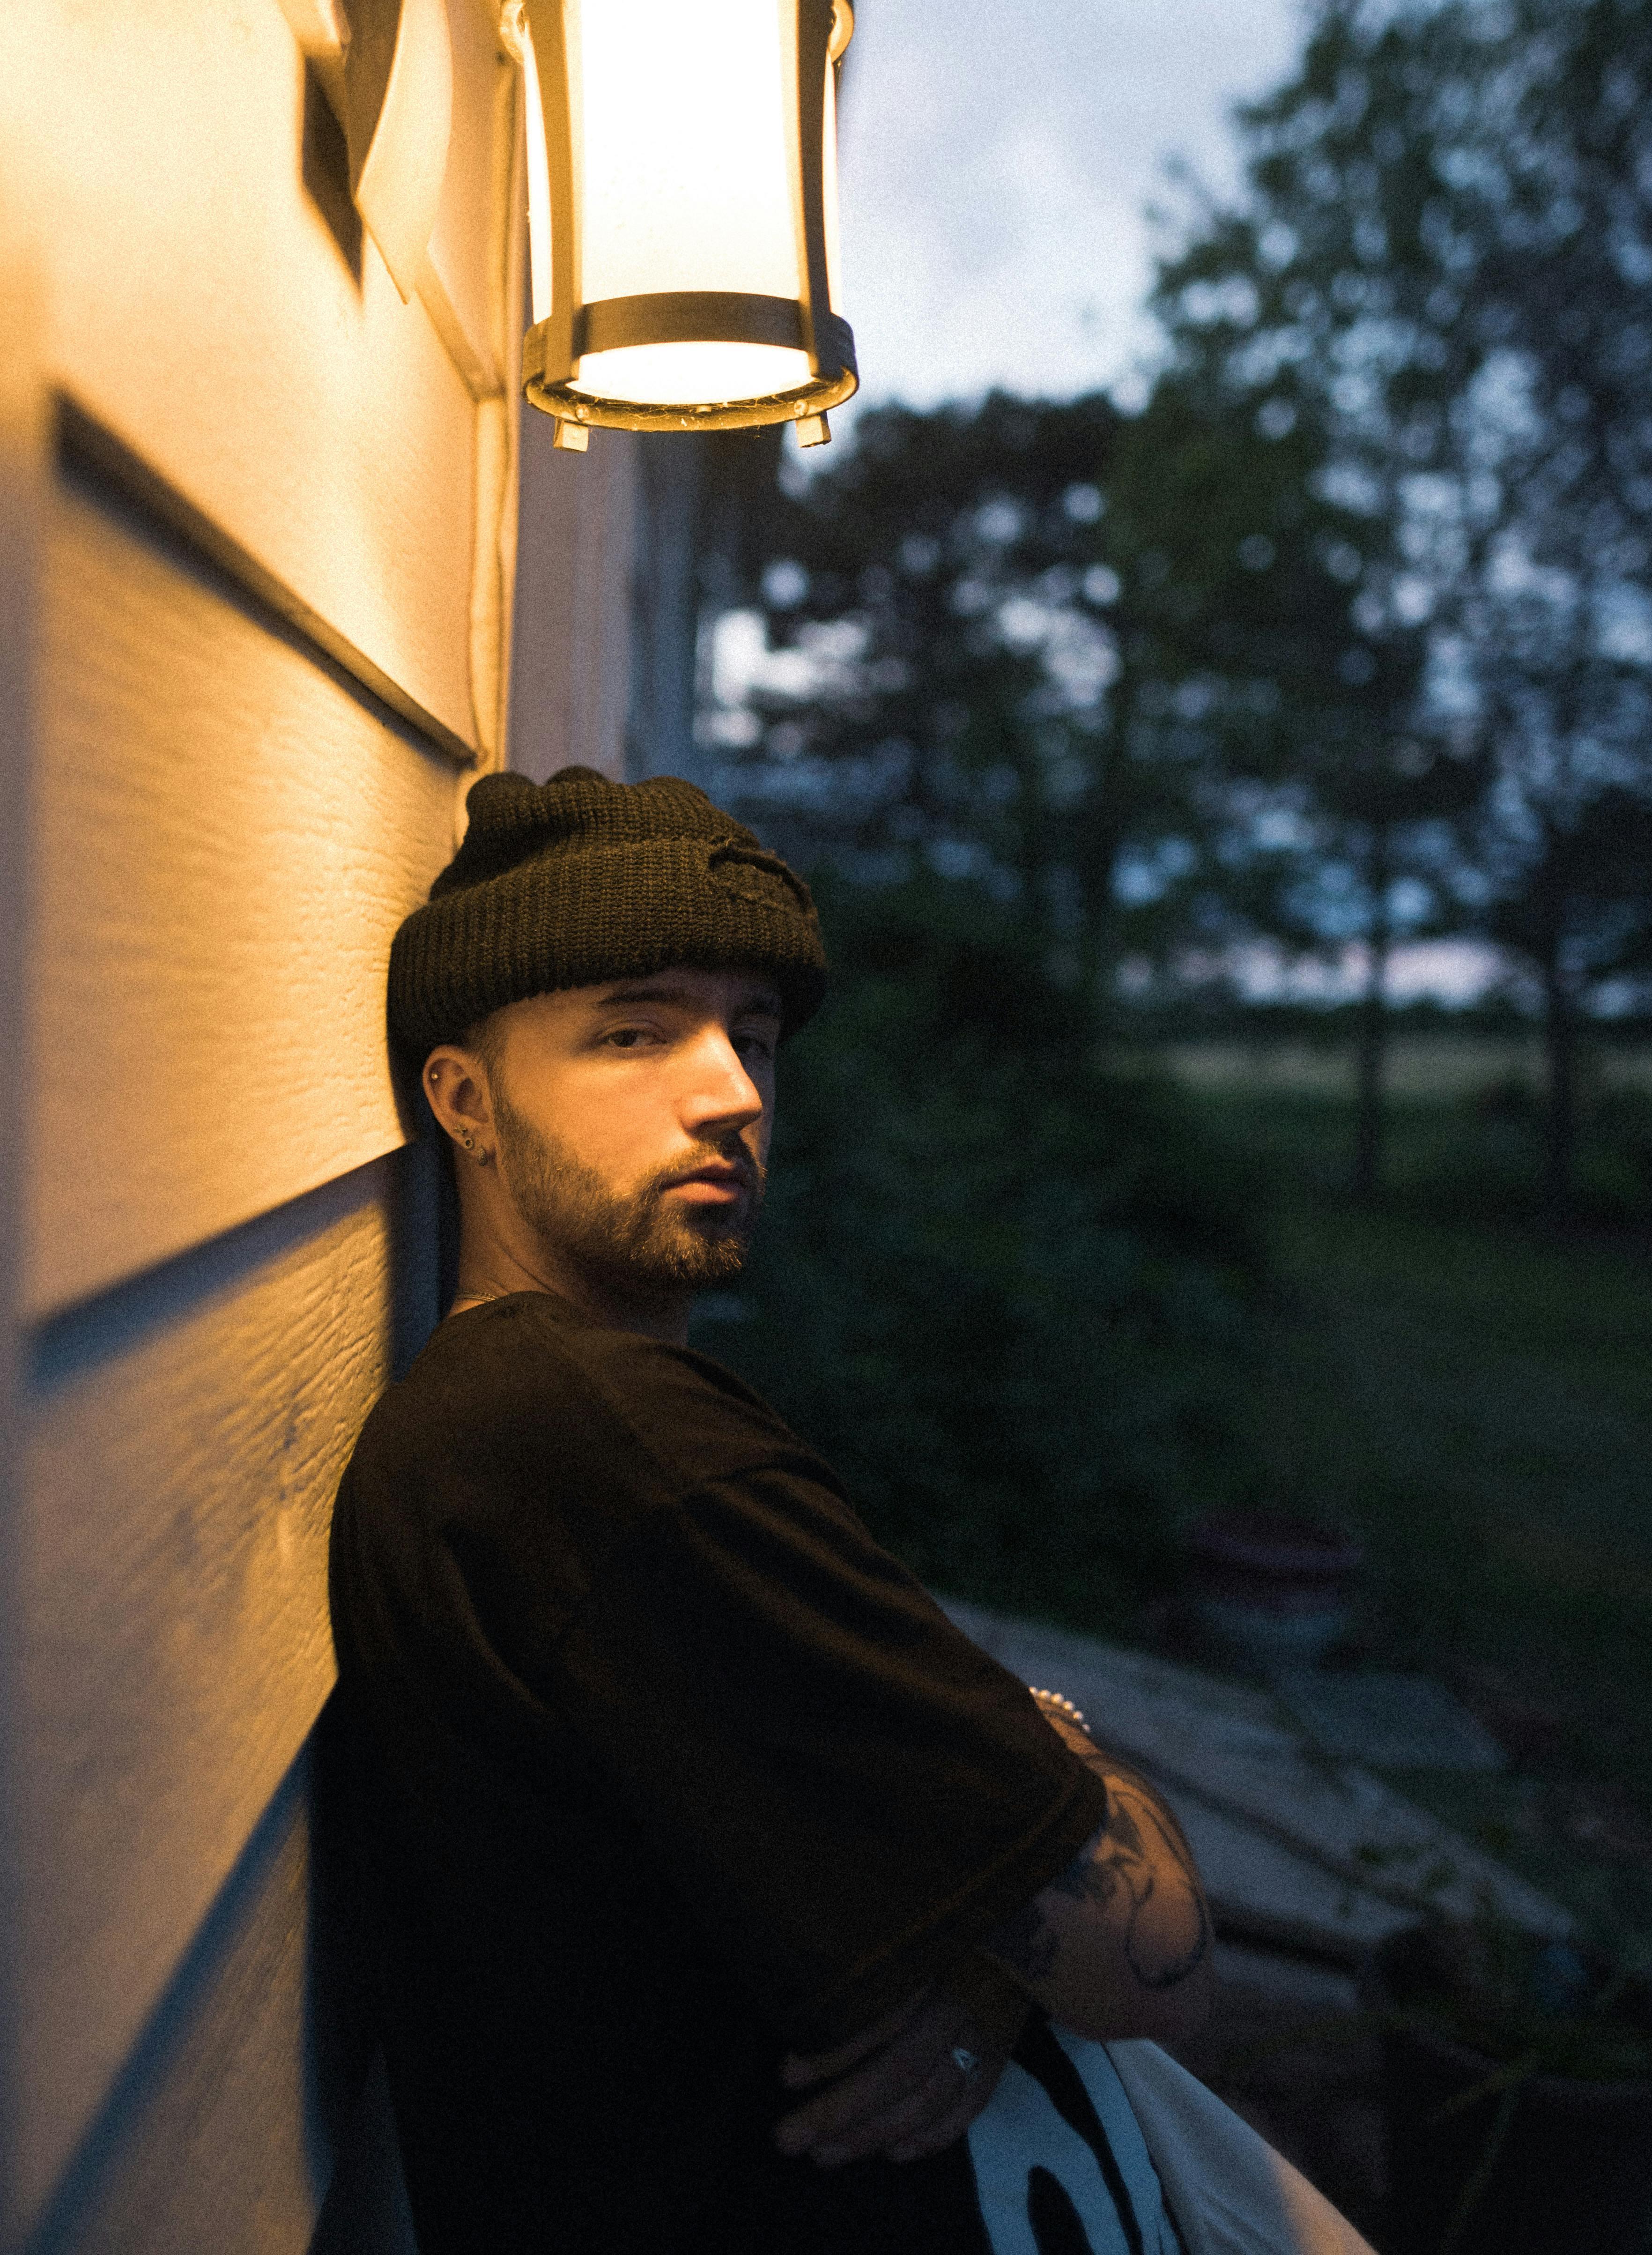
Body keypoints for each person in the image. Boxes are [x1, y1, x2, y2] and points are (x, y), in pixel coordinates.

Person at [329, 766, 1214, 2255]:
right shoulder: (598, 1446)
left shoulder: (540, 1421)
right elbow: (1149, 1962)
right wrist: (1033, 1797)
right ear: (464, 1098)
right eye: (637, 1029)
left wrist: (990, 1936)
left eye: (751, 1034)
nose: (732, 1091)